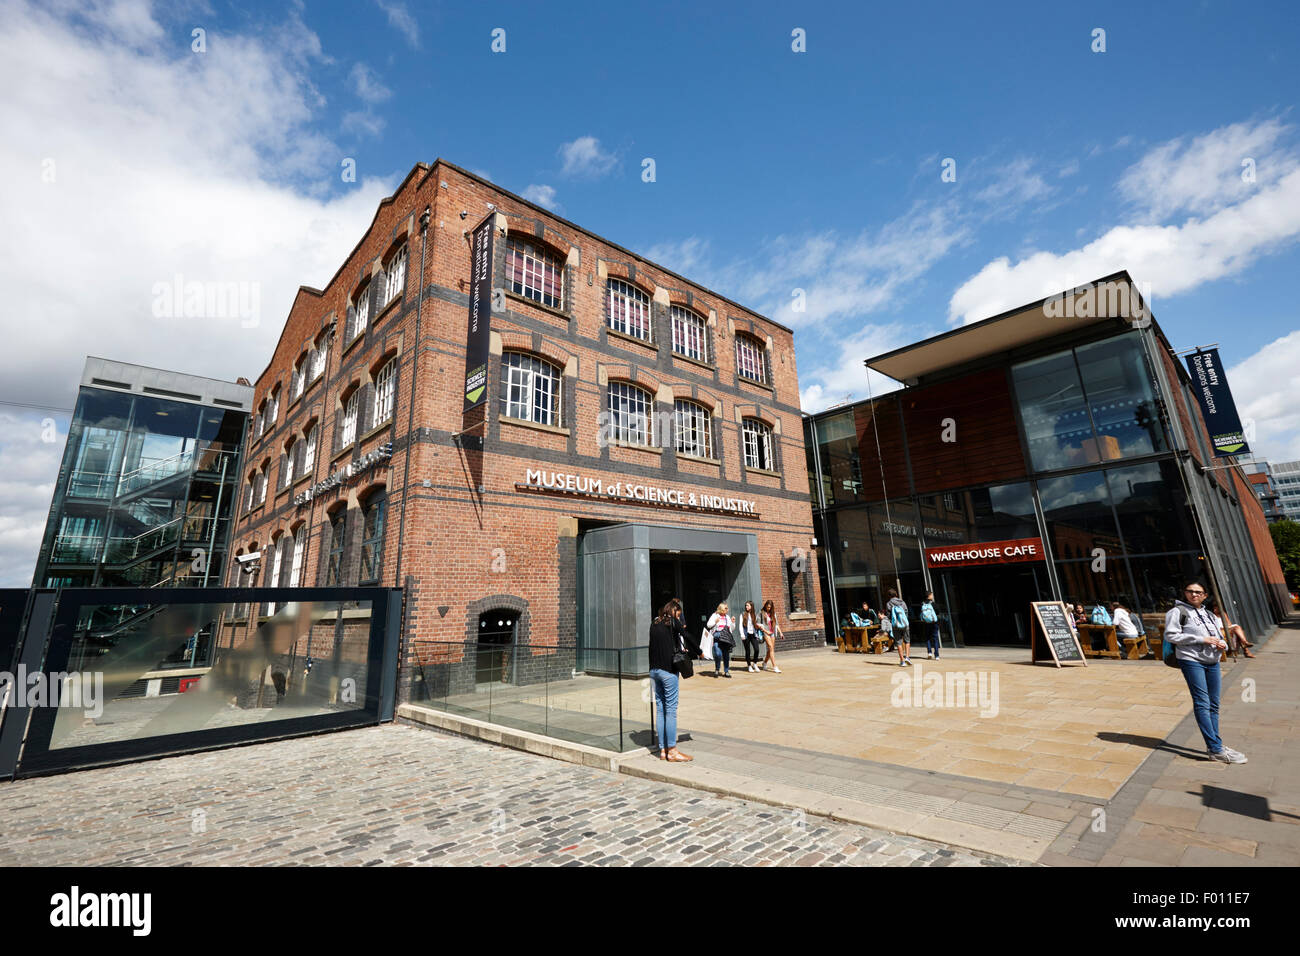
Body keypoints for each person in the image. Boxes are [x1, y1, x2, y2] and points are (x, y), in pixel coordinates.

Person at [1164, 582, 1247, 764]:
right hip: (1191, 660)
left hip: (1213, 661)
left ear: (1204, 595)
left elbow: (1219, 635)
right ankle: (1216, 748)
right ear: (1185, 593)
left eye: (1198, 592)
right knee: (1202, 703)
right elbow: (1171, 635)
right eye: (1190, 591)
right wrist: (1200, 639)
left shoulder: (1209, 614)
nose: (1194, 595)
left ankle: (1215, 745)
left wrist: (1222, 644)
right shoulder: (1177, 612)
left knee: (1214, 704)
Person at [648, 599, 692, 762]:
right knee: (671, 711)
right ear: (673, 611)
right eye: (678, 614)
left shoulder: (654, 622)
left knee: (660, 710)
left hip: (654, 671)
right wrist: (700, 651)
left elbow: (652, 646)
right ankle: (672, 750)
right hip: (668, 671)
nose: (679, 618)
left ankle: (662, 750)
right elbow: (686, 635)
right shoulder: (672, 622)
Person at [705, 602, 736, 678]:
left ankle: (726, 671)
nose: (727, 609)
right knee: (718, 654)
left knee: (726, 655)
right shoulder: (715, 615)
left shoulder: (727, 617)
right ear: (721, 609)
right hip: (717, 637)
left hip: (725, 638)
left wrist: (733, 622)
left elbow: (731, 629)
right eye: (726, 608)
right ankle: (717, 669)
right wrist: (715, 621)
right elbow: (708, 625)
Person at [885, 588, 911, 666]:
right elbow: (906, 612)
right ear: (896, 594)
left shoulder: (888, 604)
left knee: (899, 642)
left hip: (895, 625)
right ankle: (907, 657)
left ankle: (902, 661)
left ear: (889, 596)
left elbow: (889, 615)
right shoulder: (902, 602)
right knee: (907, 641)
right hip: (905, 624)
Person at [759, 600, 784, 673]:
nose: (768, 608)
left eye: (770, 607)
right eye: (767, 607)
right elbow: (758, 624)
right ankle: (775, 667)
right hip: (766, 632)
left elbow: (776, 624)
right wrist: (765, 631)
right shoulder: (761, 613)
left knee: (771, 649)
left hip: (772, 633)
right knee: (770, 647)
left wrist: (781, 633)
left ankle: (764, 663)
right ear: (765, 606)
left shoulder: (773, 614)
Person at [739, 600, 763, 672]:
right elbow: (740, 625)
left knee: (756, 649)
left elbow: (757, 624)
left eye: (748, 605)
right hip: (746, 635)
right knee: (748, 651)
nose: (746, 607)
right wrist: (742, 634)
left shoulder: (754, 614)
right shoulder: (743, 614)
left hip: (753, 634)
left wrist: (760, 626)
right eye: (746, 605)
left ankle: (755, 663)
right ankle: (749, 665)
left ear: (751, 606)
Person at [920, 591, 940, 659]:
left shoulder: (922, 604)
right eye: (932, 595)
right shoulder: (933, 604)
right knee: (935, 638)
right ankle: (936, 655)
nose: (932, 596)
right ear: (929, 596)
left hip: (926, 623)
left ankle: (929, 652)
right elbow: (938, 612)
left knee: (927, 638)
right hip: (934, 623)